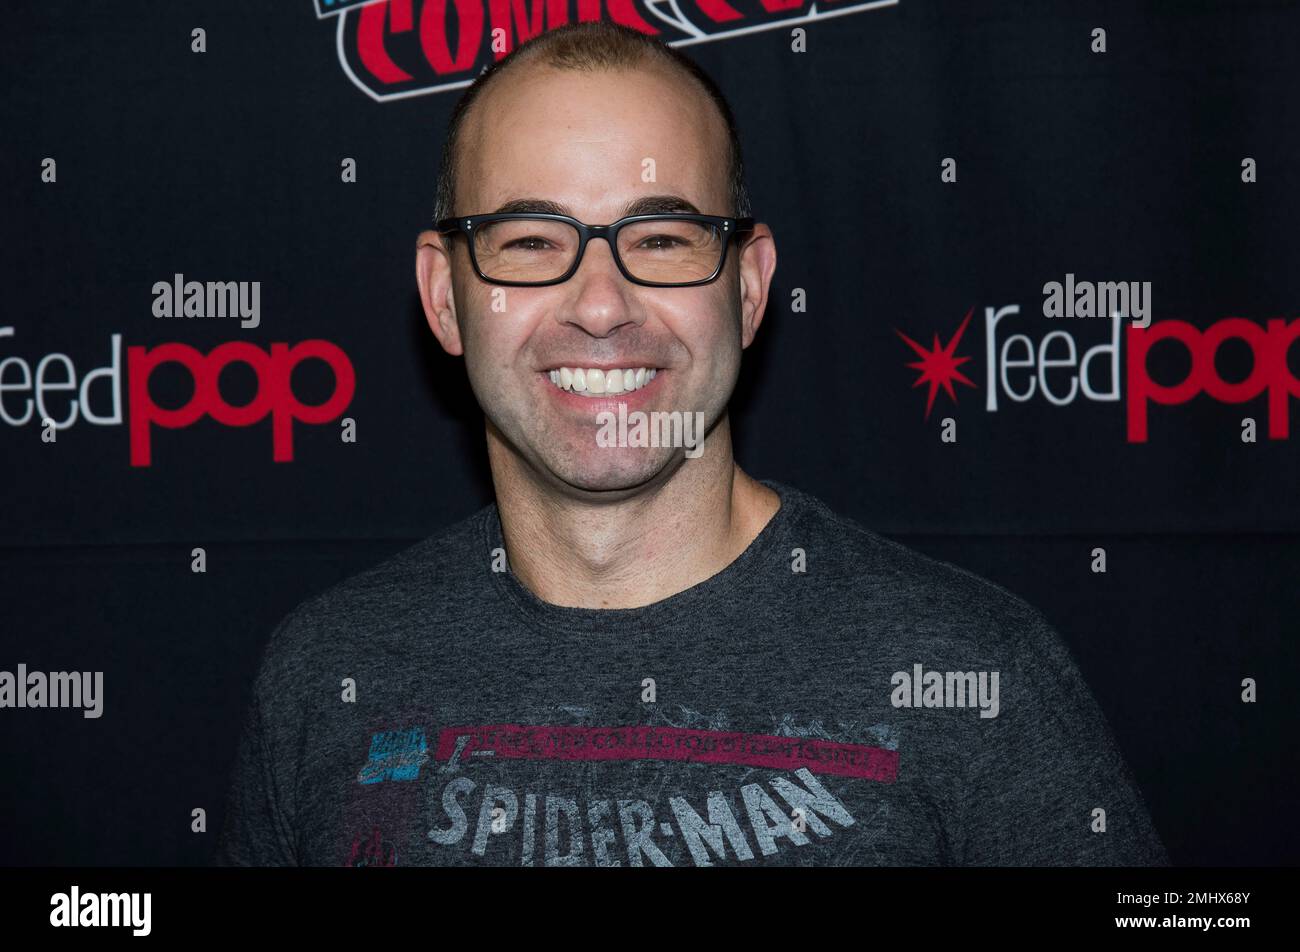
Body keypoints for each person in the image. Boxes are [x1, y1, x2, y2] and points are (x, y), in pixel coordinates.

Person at [214, 21, 1167, 867]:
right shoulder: (325, 676)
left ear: (748, 289)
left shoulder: (975, 673)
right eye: (530, 241)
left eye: (663, 239)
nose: (598, 305)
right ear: (442, 294)